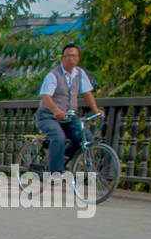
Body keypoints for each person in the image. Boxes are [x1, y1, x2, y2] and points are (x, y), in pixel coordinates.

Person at [36, 44, 104, 174]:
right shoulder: (53, 75)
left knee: (86, 138)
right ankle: (55, 173)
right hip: (48, 116)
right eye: (68, 56)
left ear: (78, 58)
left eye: (74, 56)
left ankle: (62, 157)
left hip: (69, 117)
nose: (71, 59)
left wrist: (95, 110)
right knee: (58, 137)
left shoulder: (79, 73)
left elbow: (87, 93)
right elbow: (46, 96)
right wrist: (56, 111)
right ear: (62, 58)